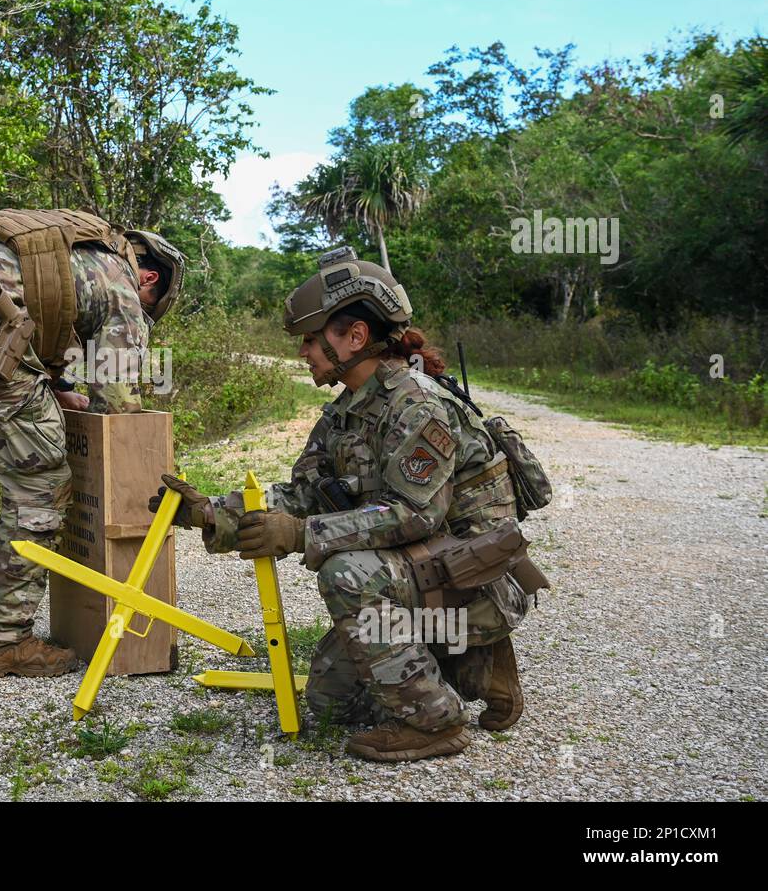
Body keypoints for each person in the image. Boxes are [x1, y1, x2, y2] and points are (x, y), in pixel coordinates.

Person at [152, 247, 542, 761]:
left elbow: (413, 513)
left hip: (477, 583)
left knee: (348, 573)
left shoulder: (418, 407)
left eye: (312, 340)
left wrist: (299, 534)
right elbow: (304, 493)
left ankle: (436, 723)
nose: (303, 352)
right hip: (430, 573)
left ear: (355, 338)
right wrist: (211, 512)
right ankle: (475, 667)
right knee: (332, 702)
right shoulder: (345, 414)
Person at [0, 208, 184, 677]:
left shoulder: (75, 252)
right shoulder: (124, 288)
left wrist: (55, 391)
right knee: (41, 480)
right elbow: (119, 405)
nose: (144, 313)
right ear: (148, 278)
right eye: (151, 306)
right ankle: (1, 640)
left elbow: (37, 321)